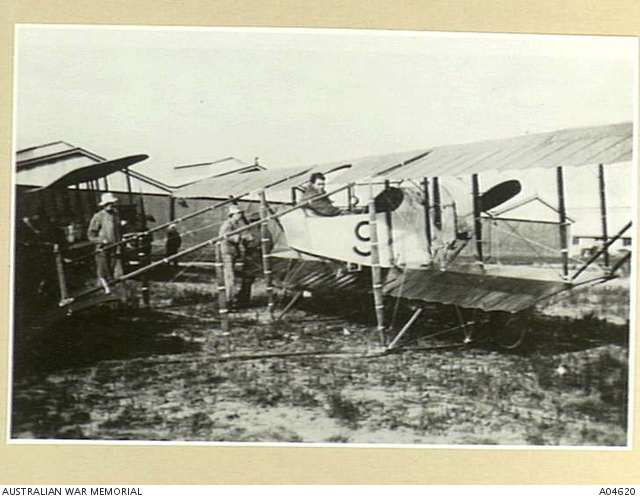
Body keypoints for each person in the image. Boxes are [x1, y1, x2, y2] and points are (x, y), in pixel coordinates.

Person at [218, 205, 254, 306]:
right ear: (233, 214)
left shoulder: (234, 224)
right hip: (227, 253)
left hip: (232, 253)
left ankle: (230, 299)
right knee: (230, 278)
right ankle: (227, 301)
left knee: (231, 277)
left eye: (241, 214)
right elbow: (224, 236)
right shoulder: (227, 224)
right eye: (239, 214)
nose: (240, 216)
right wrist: (243, 237)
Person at [87, 193, 121, 294]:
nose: (110, 205)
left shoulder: (115, 215)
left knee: (113, 269)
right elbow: (91, 234)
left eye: (111, 203)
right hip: (103, 248)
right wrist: (101, 240)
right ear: (103, 205)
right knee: (103, 269)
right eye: (108, 204)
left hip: (114, 246)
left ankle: (113, 289)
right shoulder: (98, 216)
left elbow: (118, 231)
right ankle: (104, 290)